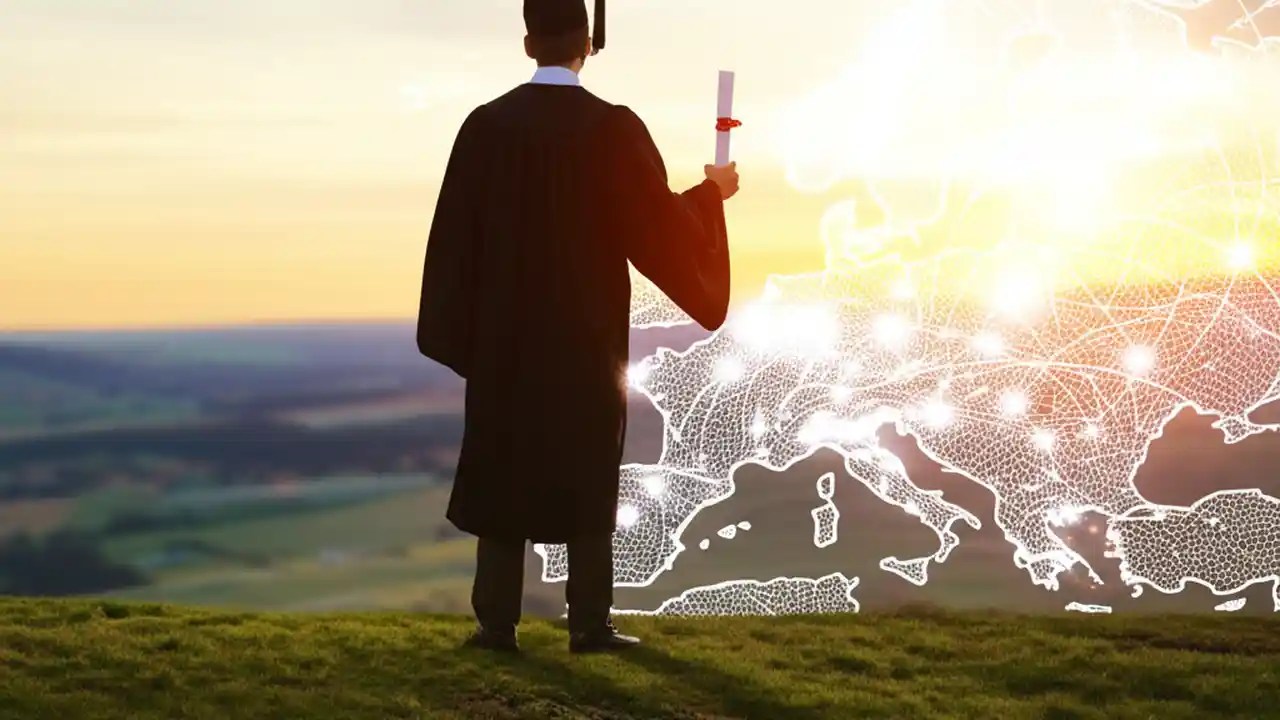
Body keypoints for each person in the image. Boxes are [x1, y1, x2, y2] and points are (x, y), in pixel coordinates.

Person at [416, 0, 738, 654]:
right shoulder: (611, 130)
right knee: (587, 467)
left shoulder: (485, 127)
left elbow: (453, 242)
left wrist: (471, 337)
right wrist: (711, 195)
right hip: (585, 345)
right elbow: (657, 227)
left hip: (505, 342)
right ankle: (590, 623)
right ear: (588, 42)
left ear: (527, 41)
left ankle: (494, 625)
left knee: (504, 464)